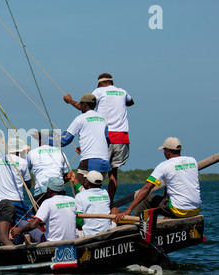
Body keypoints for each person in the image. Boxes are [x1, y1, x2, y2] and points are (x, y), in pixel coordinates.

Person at [114, 137, 202, 222]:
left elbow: (147, 188)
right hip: (196, 209)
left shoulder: (164, 165)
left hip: (178, 210)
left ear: (167, 151)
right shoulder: (192, 161)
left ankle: (141, 223)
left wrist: (128, 209)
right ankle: (167, 217)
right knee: (169, 188)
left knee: (146, 197)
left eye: (164, 150)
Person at [45, 93, 111, 190]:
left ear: (84, 105)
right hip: (104, 162)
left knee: (79, 189)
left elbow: (64, 140)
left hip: (90, 161)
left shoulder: (81, 118)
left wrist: (43, 138)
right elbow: (106, 141)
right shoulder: (103, 119)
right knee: (95, 190)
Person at [92, 73, 135, 204]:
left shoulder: (99, 91)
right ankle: (109, 203)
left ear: (100, 83)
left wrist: (70, 101)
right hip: (122, 137)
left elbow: (85, 105)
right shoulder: (122, 92)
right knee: (113, 173)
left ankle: (96, 204)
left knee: (95, 172)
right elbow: (131, 102)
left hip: (105, 137)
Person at [11, 177, 77, 242]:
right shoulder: (72, 200)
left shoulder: (48, 202)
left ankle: (15, 249)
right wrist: (42, 221)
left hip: (51, 242)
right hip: (71, 240)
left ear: (49, 190)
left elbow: (32, 225)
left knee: (22, 223)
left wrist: (20, 230)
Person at [27, 132, 70, 209]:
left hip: (41, 192)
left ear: (40, 141)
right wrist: (57, 183)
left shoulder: (32, 153)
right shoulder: (61, 153)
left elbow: (25, 172)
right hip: (59, 191)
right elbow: (68, 175)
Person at [68, 170, 112, 237]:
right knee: (115, 210)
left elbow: (79, 222)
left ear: (87, 182)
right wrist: (74, 180)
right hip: (106, 231)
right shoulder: (105, 193)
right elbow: (85, 193)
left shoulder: (80, 196)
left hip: (88, 234)